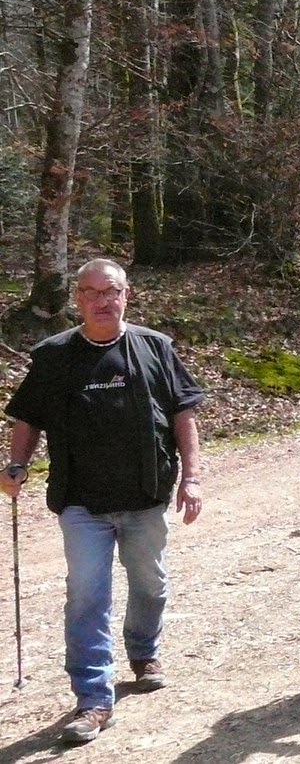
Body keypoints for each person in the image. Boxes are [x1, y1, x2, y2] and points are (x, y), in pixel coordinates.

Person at [2, 258, 204, 745]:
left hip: (145, 495)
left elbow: (182, 414)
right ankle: (93, 698)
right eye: (90, 292)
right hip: (81, 502)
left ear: (126, 295)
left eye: (110, 291)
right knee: (87, 596)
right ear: (78, 300)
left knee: (150, 584)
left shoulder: (154, 347)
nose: (101, 300)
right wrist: (16, 464)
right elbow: (27, 417)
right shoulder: (54, 356)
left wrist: (192, 478)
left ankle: (143, 650)